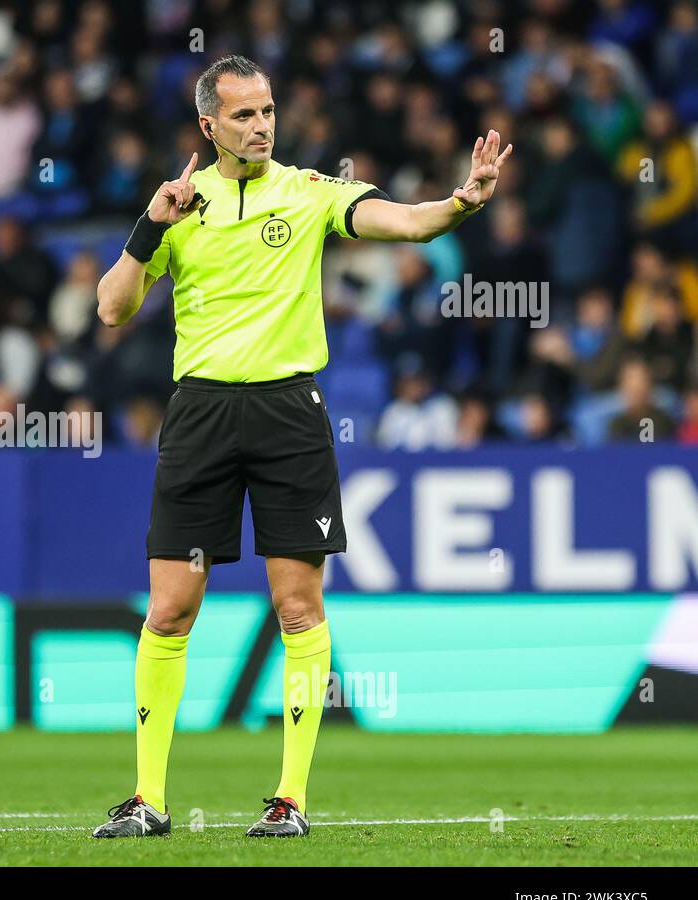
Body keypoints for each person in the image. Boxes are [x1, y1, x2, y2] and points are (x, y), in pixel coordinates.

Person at [92, 55, 512, 838]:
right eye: (244, 115)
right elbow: (111, 310)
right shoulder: (180, 207)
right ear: (208, 126)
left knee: (297, 604)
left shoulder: (312, 192)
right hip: (201, 414)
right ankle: (149, 799)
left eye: (269, 111)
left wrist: (463, 200)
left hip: (289, 414)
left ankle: (290, 800)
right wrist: (150, 226)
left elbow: (409, 221)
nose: (261, 126)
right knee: (172, 609)